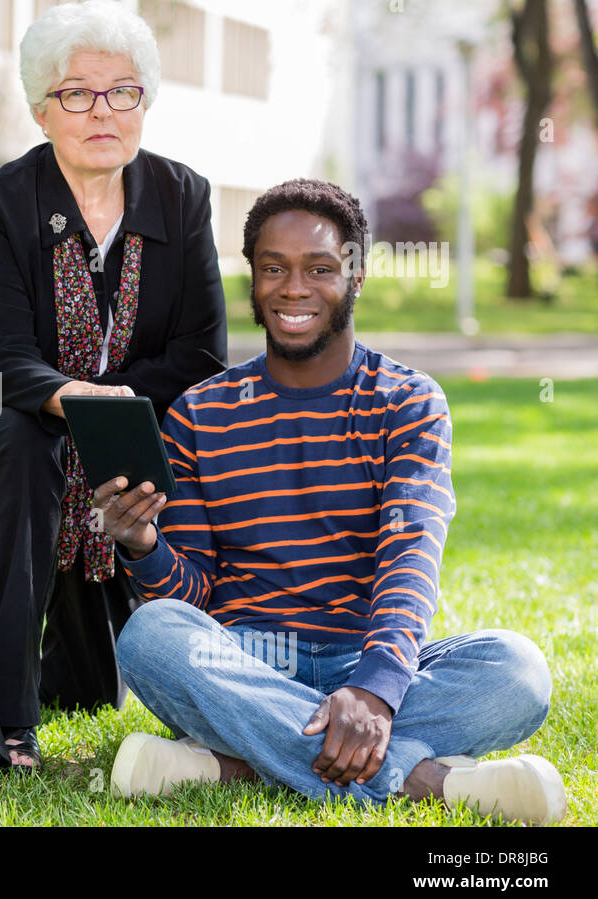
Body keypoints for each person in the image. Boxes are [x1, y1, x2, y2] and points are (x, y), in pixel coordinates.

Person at [95, 179, 566, 823]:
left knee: (518, 671)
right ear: (252, 279)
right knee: (151, 635)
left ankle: (231, 765)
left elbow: (411, 557)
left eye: (320, 268)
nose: (294, 288)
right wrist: (142, 547)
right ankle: (424, 783)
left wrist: (373, 691)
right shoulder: (199, 415)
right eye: (273, 269)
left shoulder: (407, 401)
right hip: (246, 658)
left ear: (357, 275)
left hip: (366, 651)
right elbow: (193, 598)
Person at [0, 0, 229, 768]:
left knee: (95, 689)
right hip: (8, 414)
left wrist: (114, 410)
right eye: (77, 93)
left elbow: (202, 356)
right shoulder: (1, 200)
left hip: (129, 432)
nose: (102, 111)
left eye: (123, 91)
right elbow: (0, 354)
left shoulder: (184, 195)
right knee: (25, 439)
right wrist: (80, 400)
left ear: (145, 102)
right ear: (43, 112)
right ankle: (4, 714)